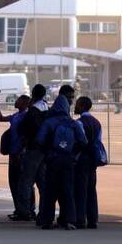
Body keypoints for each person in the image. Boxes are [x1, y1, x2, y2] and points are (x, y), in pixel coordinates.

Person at [36, 90, 87, 229]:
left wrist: (47, 153)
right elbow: (83, 142)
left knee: (50, 191)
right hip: (68, 161)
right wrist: (73, 154)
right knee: (68, 191)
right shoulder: (72, 123)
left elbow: (40, 140)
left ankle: (47, 220)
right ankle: (69, 220)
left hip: (52, 160)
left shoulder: (49, 122)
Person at [0, 92, 31, 219]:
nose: (16, 102)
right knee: (13, 182)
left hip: (19, 154)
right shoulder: (17, 115)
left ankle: (25, 210)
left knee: (21, 182)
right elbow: (1, 118)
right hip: (13, 152)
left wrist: (20, 151)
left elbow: (25, 136)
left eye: (19, 100)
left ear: (25, 103)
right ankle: (19, 209)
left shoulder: (25, 116)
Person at [18, 85, 50, 221]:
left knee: (26, 182)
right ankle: (44, 211)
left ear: (33, 94)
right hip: (45, 150)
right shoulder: (48, 108)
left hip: (32, 149)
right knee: (43, 183)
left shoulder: (32, 111)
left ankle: (25, 212)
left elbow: (23, 129)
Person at [73, 95, 104, 229]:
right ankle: (93, 219)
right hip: (93, 158)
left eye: (77, 104)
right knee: (92, 189)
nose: (75, 106)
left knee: (80, 189)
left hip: (81, 158)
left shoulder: (79, 122)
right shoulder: (97, 122)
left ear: (82, 106)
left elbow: (79, 141)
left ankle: (80, 219)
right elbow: (98, 141)